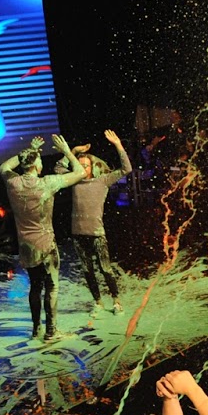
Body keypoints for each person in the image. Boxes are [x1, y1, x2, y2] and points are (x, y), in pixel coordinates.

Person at [0, 134, 90, 341]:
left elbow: (4, 167)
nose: (41, 162)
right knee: (52, 286)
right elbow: (80, 172)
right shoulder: (47, 183)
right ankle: (51, 332)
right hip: (46, 245)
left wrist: (30, 150)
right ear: (37, 167)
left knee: (35, 286)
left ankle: (36, 330)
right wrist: (68, 151)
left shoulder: (13, 183)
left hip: (26, 246)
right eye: (39, 159)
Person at [61, 129, 132, 316]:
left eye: (86, 165)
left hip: (97, 233)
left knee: (105, 268)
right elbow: (58, 169)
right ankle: (98, 303)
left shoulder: (102, 181)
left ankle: (117, 302)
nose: (83, 168)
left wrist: (118, 145)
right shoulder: (74, 181)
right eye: (80, 165)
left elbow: (126, 169)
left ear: (92, 167)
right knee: (87, 270)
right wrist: (74, 151)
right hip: (78, 233)